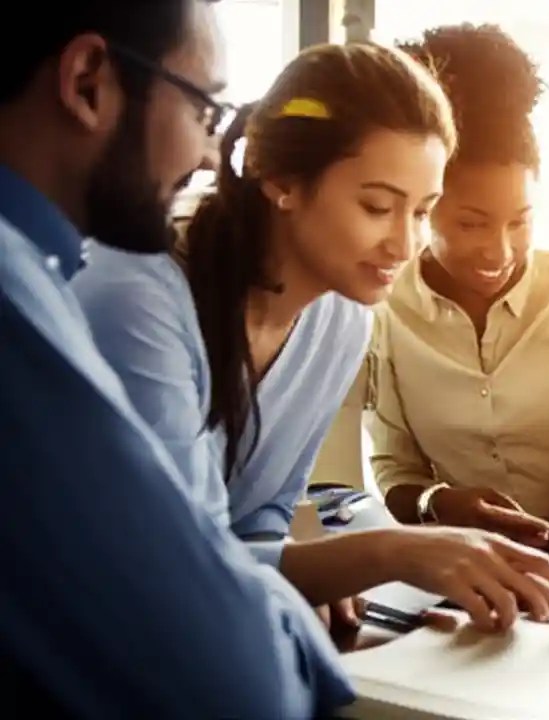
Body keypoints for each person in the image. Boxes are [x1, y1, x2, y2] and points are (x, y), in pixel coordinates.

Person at [70, 39, 549, 634]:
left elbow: (262, 517)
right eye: (377, 207)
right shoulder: (139, 298)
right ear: (283, 182)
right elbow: (175, 558)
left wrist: (301, 573)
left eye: (422, 212)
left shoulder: (342, 318)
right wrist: (386, 553)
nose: (405, 245)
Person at [0, 1, 356, 714]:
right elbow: (241, 688)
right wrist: (275, 602)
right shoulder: (21, 297)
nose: (208, 155)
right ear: (88, 82)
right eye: (202, 108)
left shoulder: (45, 273)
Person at [366, 23, 549, 591]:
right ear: (425, 207)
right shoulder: (385, 303)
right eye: (471, 224)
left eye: (519, 222)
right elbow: (395, 467)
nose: (499, 251)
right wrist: (440, 502)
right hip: (457, 560)